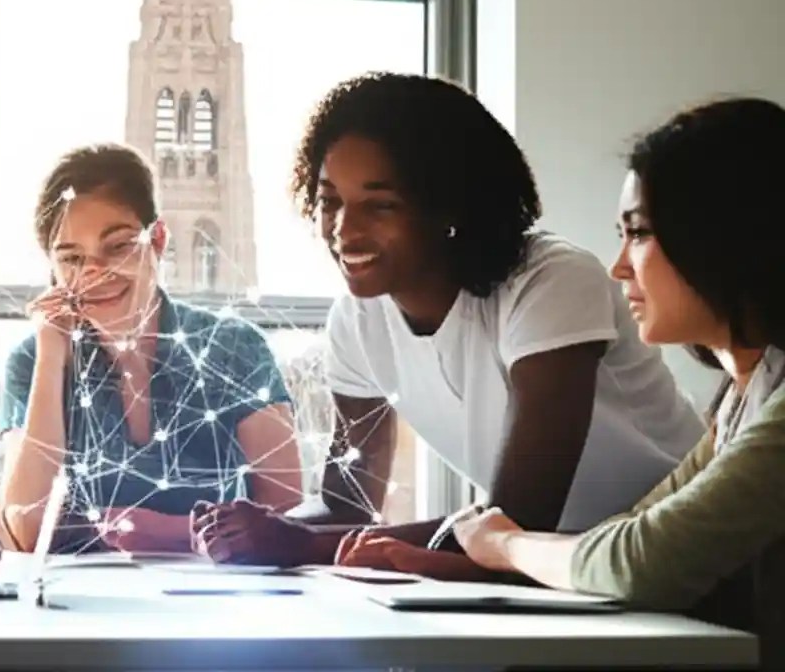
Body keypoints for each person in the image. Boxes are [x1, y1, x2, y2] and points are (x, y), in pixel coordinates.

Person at [192, 72, 706, 574]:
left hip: (677, 553)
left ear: (449, 205)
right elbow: (345, 504)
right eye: (330, 202)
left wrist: (302, 543)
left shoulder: (550, 282)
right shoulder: (357, 320)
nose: (344, 230)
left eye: (380, 205)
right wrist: (249, 528)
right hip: (559, 568)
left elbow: (519, 517)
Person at [451, 97, 785, 664]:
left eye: (639, 233)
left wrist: (504, 544)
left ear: (726, 236)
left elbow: (638, 562)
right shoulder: (742, 399)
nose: (619, 266)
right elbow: (627, 532)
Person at [0, 143, 302, 553]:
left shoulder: (233, 348)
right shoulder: (31, 360)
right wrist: (51, 354)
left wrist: (170, 533)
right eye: (72, 258)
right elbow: (25, 529)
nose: (95, 274)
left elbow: (288, 516)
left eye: (118, 246)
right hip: (80, 593)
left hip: (217, 589)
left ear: (157, 239)